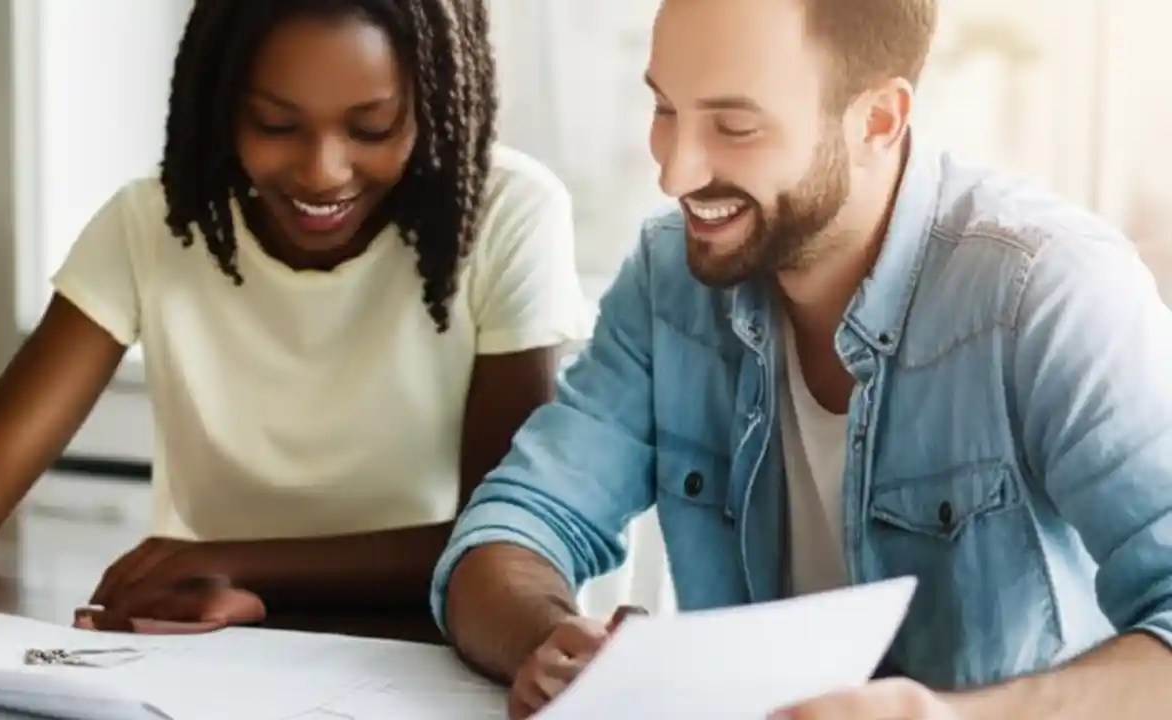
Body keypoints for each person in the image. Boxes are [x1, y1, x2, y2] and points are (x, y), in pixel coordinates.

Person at [431, 0, 1172, 717]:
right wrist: (555, 642)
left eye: (735, 125)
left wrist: (955, 719)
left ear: (877, 120)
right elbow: (509, 530)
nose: (675, 173)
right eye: (664, 110)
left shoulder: (1047, 290)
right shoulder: (670, 279)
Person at [0, 0, 586, 657]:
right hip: (208, 648)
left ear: (431, 106)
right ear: (224, 105)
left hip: (426, 648)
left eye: (372, 127)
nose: (323, 169)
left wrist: (235, 562)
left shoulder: (507, 215)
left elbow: (502, 539)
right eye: (276, 125)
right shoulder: (154, 223)